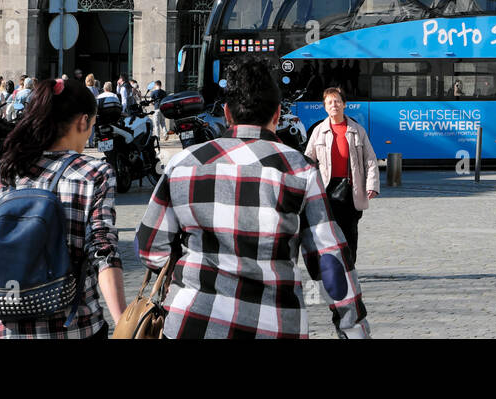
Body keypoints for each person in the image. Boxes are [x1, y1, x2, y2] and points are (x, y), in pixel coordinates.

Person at [135, 60, 369, 338]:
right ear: (277, 114)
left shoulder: (184, 164)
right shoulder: (300, 170)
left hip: (192, 323)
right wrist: (352, 327)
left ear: (226, 114)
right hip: (276, 326)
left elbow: (149, 247)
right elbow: (329, 261)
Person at [0, 78, 125, 339]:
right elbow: (104, 252)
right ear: (82, 121)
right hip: (73, 327)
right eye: (91, 124)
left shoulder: (2, 170)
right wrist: (124, 321)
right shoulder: (94, 173)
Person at [304, 86, 380, 264]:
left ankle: (349, 265)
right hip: (326, 190)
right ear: (324, 106)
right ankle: (334, 268)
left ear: (345, 104)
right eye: (329, 102)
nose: (334, 105)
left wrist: (372, 185)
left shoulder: (357, 130)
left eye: (337, 101)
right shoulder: (318, 131)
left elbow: (370, 159)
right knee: (327, 232)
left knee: (350, 232)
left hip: (351, 191)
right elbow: (308, 161)